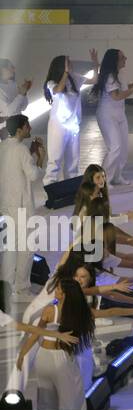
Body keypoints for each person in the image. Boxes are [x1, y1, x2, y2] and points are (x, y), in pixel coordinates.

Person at [14, 278, 95, 410]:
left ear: (64, 294)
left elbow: (36, 333)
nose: (55, 291)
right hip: (61, 359)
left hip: (43, 357)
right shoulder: (78, 311)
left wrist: (23, 353)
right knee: (70, 397)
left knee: (46, 399)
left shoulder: (50, 310)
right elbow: (110, 312)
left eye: (58, 289)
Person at [0, 115, 46, 314]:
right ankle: (22, 287)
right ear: (19, 129)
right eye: (27, 125)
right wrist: (40, 157)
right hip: (22, 206)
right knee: (26, 247)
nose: (30, 128)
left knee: (10, 248)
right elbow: (33, 174)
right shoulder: (20, 150)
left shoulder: (3, 147)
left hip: (6, 204)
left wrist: (31, 154)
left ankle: (6, 288)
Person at [89, 50, 133, 186]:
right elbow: (116, 96)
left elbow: (124, 88)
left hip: (119, 114)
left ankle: (117, 176)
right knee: (115, 147)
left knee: (123, 148)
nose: (126, 59)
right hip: (107, 115)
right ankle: (101, 181)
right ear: (115, 61)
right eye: (123, 57)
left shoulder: (120, 74)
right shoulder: (109, 76)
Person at [42, 52, 95, 183]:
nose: (71, 64)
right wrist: (66, 73)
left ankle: (71, 187)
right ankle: (50, 188)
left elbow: (94, 80)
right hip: (58, 126)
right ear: (61, 66)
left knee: (73, 160)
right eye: (67, 62)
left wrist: (95, 64)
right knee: (55, 159)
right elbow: (58, 90)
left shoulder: (74, 78)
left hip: (73, 125)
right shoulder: (52, 82)